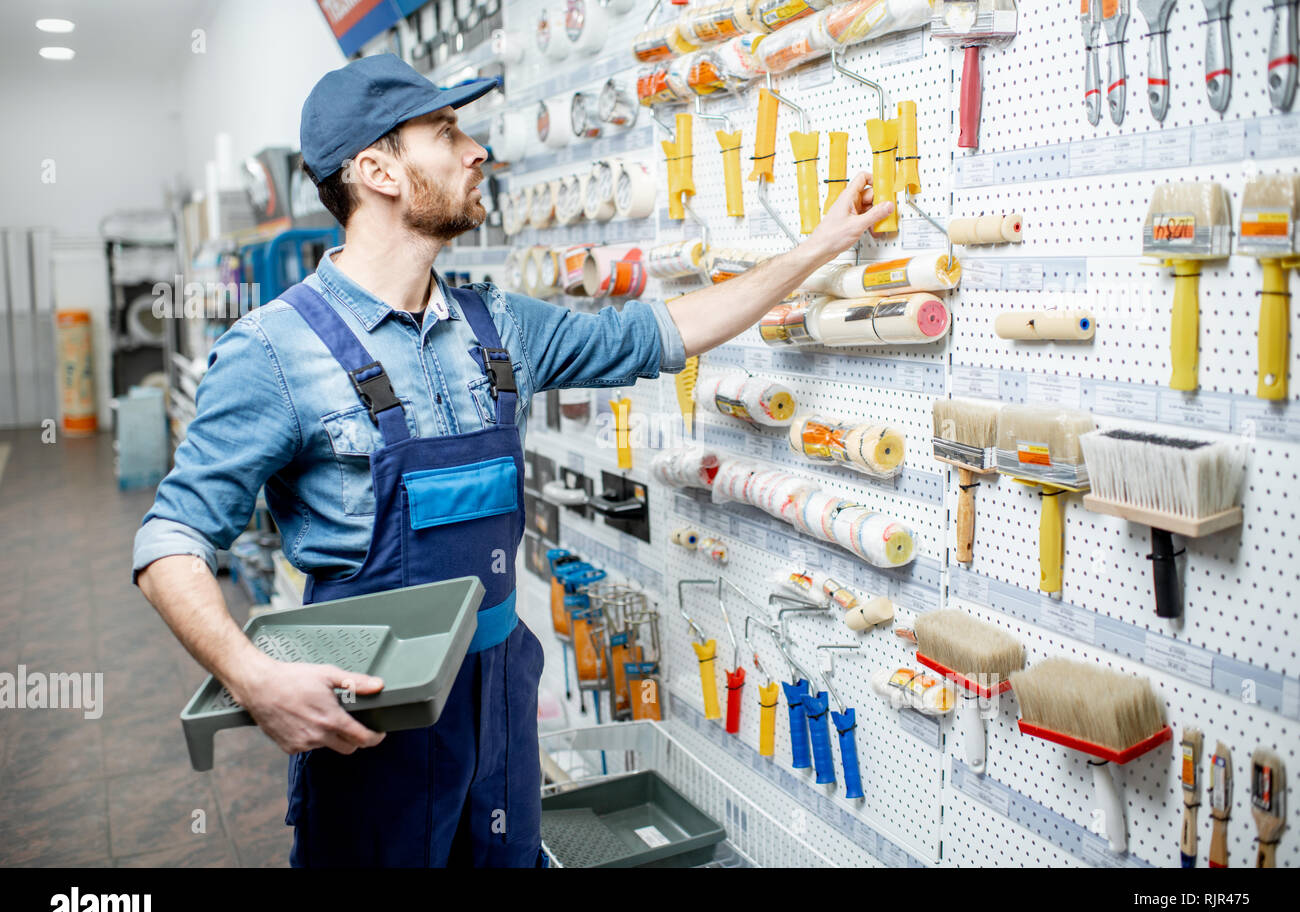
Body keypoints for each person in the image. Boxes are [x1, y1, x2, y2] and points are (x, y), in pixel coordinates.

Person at [133, 53, 894, 867]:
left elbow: (663, 330)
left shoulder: (497, 325)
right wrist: (251, 676)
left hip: (497, 698)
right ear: (376, 169)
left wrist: (817, 249)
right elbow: (170, 540)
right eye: (447, 132)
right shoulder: (274, 349)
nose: (477, 151)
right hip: (371, 719)